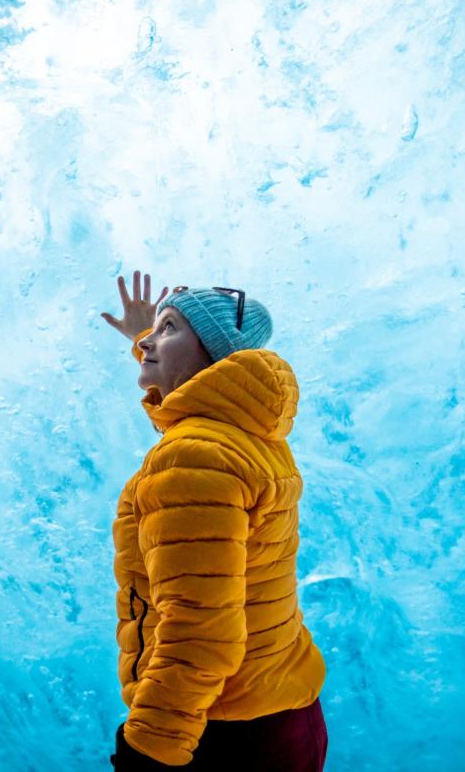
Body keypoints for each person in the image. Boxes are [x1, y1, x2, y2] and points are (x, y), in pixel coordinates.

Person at [99, 270, 328, 771]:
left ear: (211, 354)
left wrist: (153, 745)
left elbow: (199, 632)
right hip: (285, 710)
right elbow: (194, 415)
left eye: (170, 329)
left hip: (224, 734)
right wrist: (147, 341)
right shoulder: (249, 431)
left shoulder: (194, 458)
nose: (152, 341)